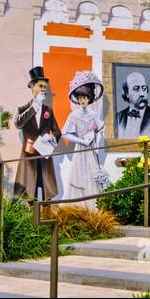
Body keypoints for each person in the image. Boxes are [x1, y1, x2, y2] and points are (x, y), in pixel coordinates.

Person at [59, 70, 107, 207]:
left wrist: (95, 137)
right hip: (80, 150)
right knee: (79, 176)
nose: (82, 101)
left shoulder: (93, 115)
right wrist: (81, 140)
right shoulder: (74, 116)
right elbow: (65, 133)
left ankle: (91, 206)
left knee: (91, 177)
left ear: (89, 98)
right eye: (79, 98)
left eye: (84, 98)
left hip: (91, 151)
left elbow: (99, 128)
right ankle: (78, 207)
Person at [13, 66, 61, 201]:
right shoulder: (23, 108)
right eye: (40, 86)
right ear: (32, 87)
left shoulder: (48, 110)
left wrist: (50, 137)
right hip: (29, 155)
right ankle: (31, 219)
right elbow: (18, 123)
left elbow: (57, 131)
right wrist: (34, 107)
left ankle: (47, 217)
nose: (43, 89)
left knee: (47, 191)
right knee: (29, 191)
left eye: (45, 87)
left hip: (45, 156)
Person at [114, 70, 150, 140]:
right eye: (136, 89)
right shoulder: (118, 118)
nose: (142, 94)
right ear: (127, 93)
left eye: (144, 88)